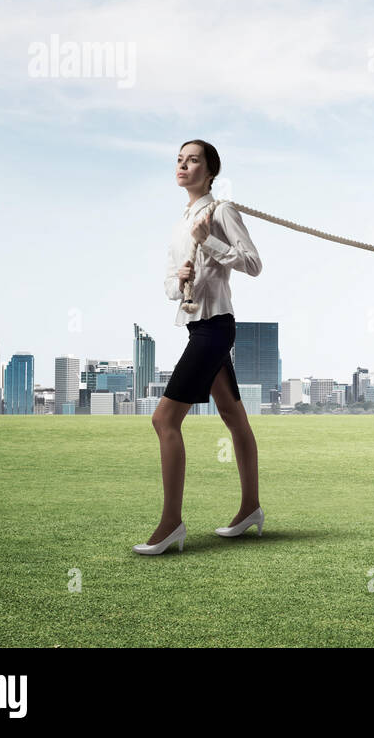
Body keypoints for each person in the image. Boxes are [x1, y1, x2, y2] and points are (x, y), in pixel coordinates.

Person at [133, 139, 265, 555]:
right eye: (179, 159)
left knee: (163, 420)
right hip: (196, 327)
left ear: (210, 172)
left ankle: (171, 523)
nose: (183, 165)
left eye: (193, 160)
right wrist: (182, 276)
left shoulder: (221, 210)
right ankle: (250, 509)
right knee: (232, 416)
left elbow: (253, 264)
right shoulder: (179, 224)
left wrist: (209, 243)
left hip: (216, 328)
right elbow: (171, 286)